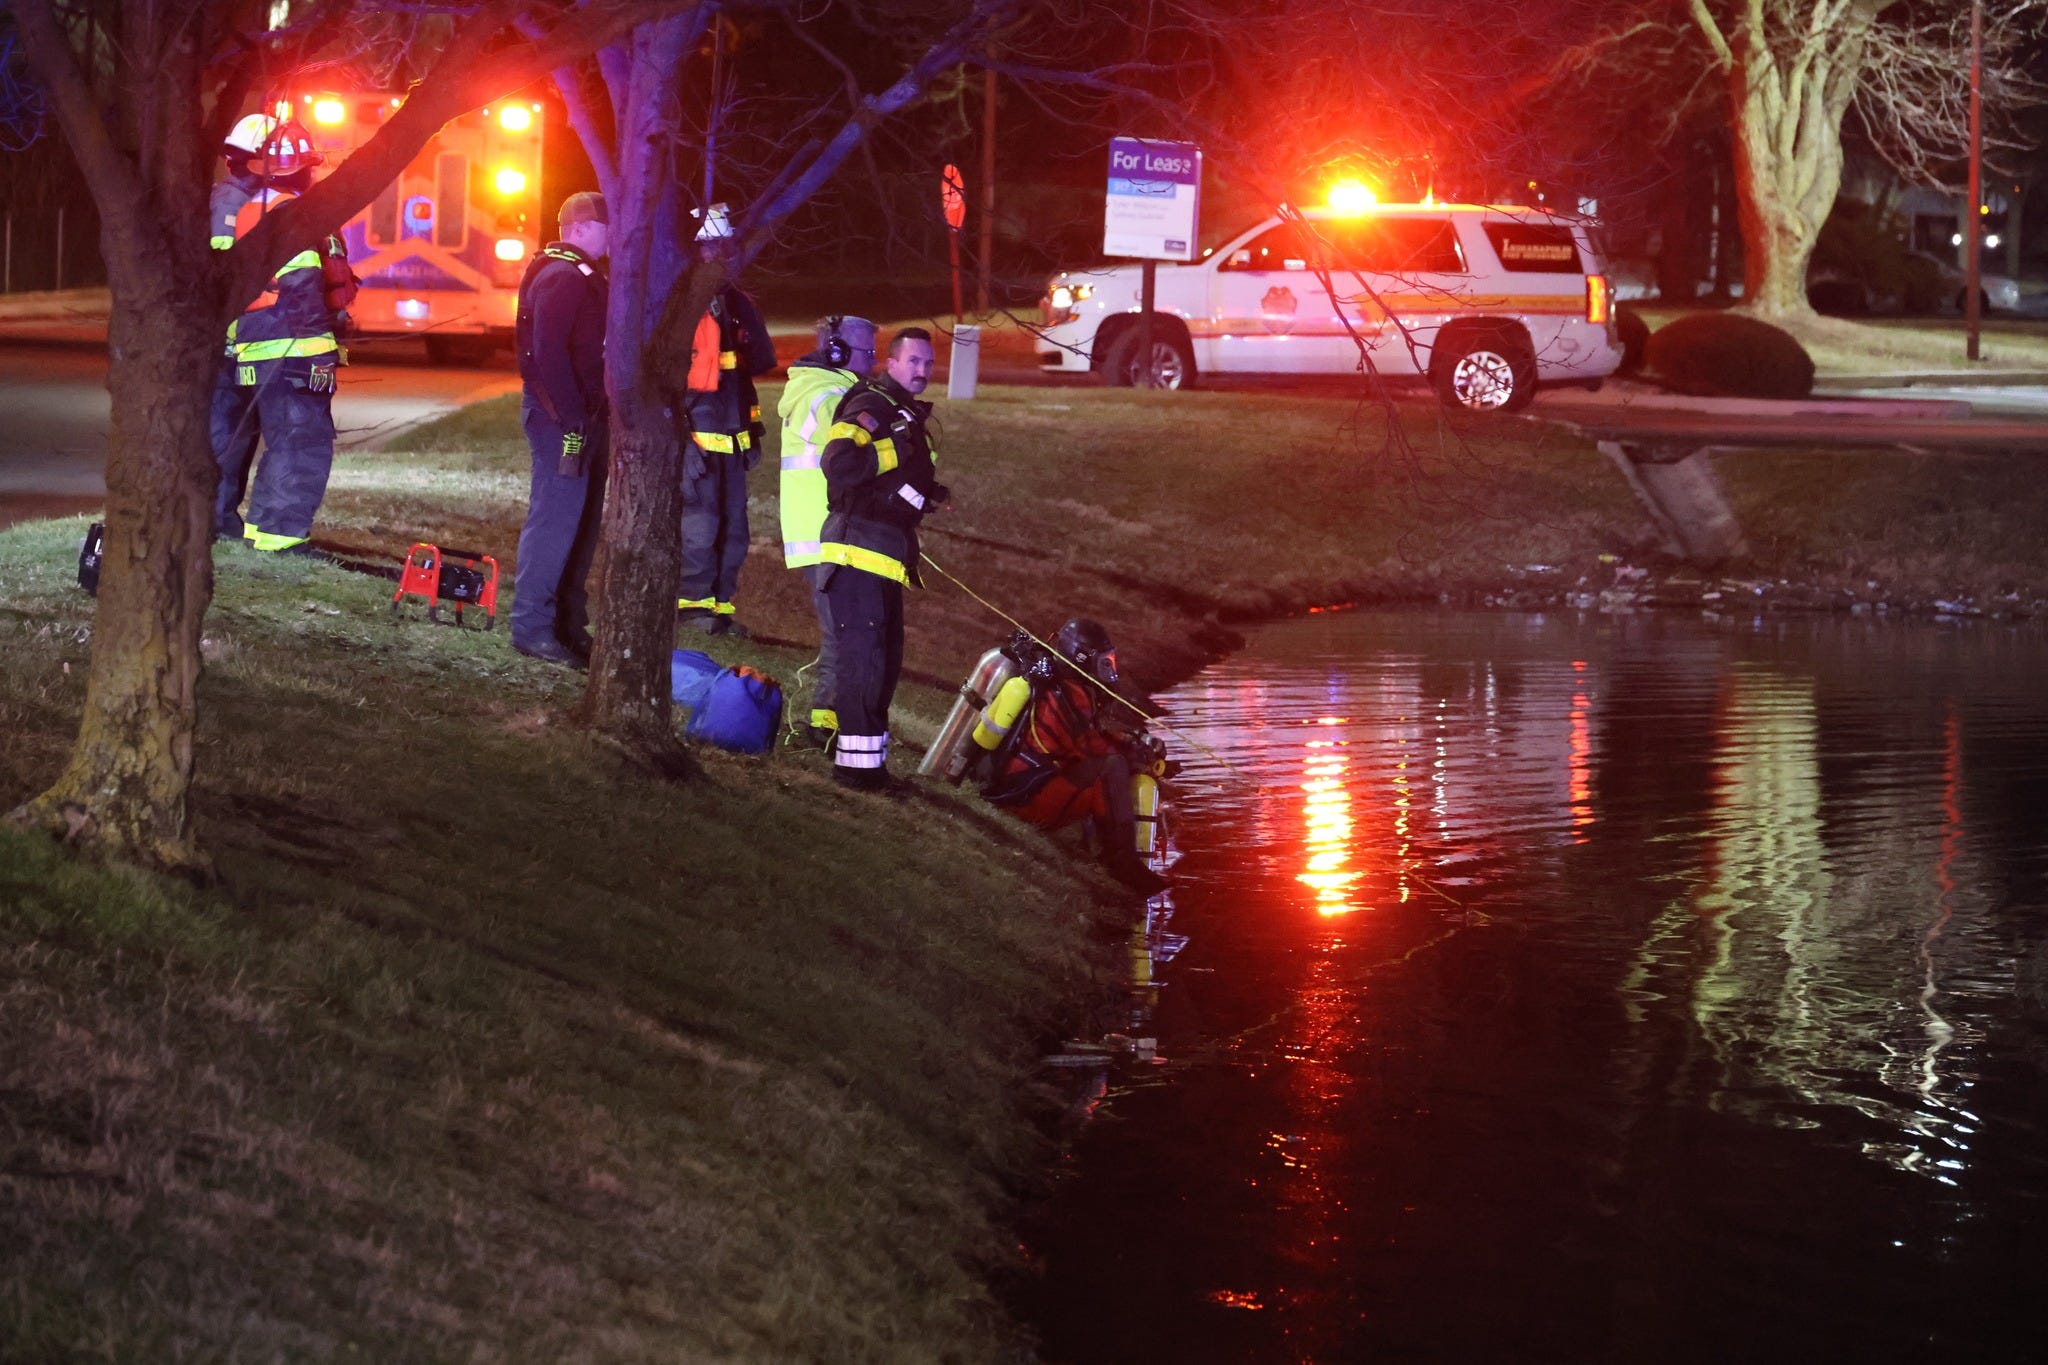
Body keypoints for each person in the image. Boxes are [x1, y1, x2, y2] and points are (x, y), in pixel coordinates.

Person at [209, 114, 356, 553]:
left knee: (225, 442)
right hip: (288, 343)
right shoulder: (284, 212)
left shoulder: (222, 206)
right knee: (299, 441)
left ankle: (218, 523)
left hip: (236, 346)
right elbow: (302, 288)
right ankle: (277, 536)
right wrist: (319, 353)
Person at [816, 327, 944, 793]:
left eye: (928, 364)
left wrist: (926, 491)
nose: (922, 372)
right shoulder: (871, 405)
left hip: (884, 554)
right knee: (865, 664)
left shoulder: (905, 414)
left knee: (884, 665)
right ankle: (855, 772)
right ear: (890, 363)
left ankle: (870, 767)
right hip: (857, 552)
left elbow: (896, 475)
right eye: (912, 362)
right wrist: (896, 452)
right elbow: (840, 463)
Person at [971, 618, 1172, 895]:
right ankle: (1122, 862)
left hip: (1017, 785)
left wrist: (1130, 743)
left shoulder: (1064, 686)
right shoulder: (1066, 694)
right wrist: (1134, 752)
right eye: (1104, 662)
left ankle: (1107, 850)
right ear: (1083, 659)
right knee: (1110, 768)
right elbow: (1089, 748)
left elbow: (1091, 737)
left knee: (1110, 764)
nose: (1109, 669)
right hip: (1023, 797)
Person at [510, 191, 610, 668]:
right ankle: (531, 627)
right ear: (581, 228)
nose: (613, 233)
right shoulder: (562, 277)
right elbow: (546, 354)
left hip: (579, 419)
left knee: (581, 524)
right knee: (556, 522)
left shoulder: (580, 276)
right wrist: (572, 417)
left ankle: (567, 625)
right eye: (606, 224)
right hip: (561, 421)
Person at [777, 313, 877, 747]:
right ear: (836, 351)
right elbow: (848, 442)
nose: (873, 363)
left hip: (828, 531)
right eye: (867, 353)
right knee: (843, 631)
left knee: (845, 629)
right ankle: (825, 725)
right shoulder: (823, 394)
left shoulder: (831, 389)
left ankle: (828, 721)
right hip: (824, 534)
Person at [677, 202, 777, 637]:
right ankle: (690, 612)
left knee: (733, 534)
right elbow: (663, 389)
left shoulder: (733, 304)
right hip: (697, 443)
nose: (718, 254)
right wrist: (680, 444)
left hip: (732, 444)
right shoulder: (678, 305)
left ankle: (718, 610)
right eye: (709, 246)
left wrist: (752, 431)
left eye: (723, 246)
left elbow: (747, 376)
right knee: (699, 530)